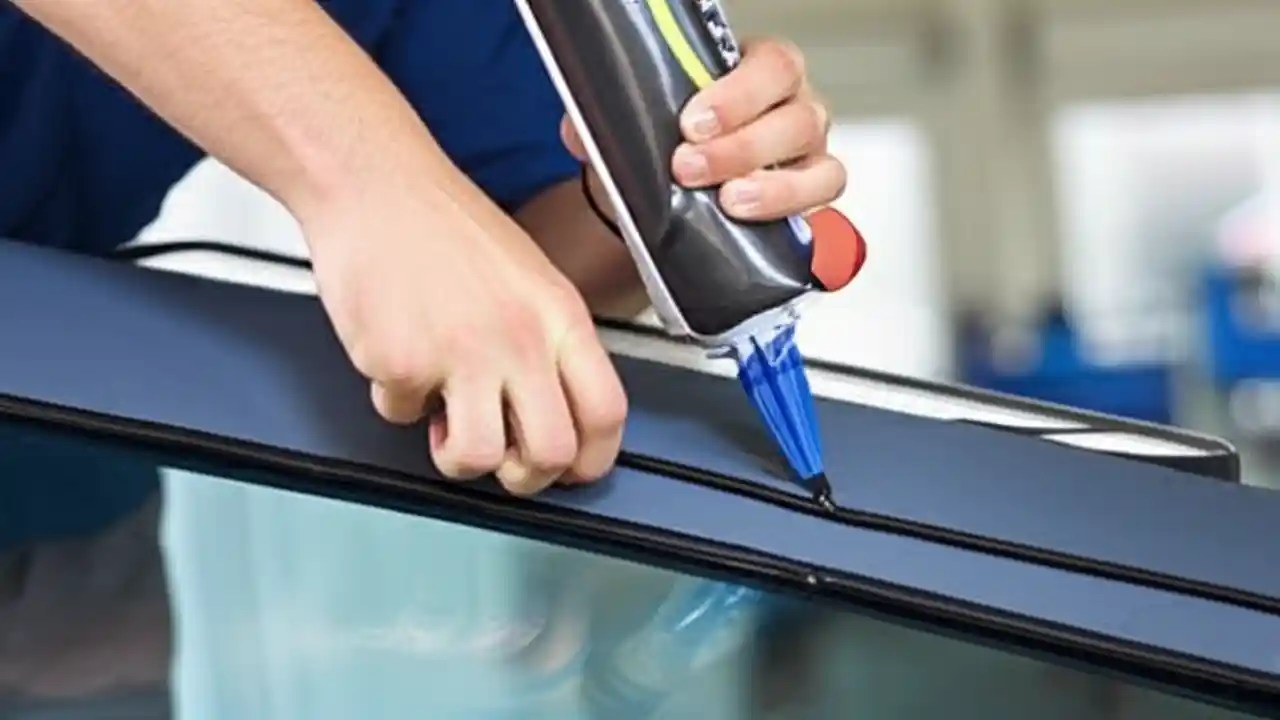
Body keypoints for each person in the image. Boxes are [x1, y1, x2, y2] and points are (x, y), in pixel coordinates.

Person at [1, 0, 848, 497]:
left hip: (64, 463)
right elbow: (404, 215)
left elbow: (506, 271)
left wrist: (650, 196)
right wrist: (368, 173)